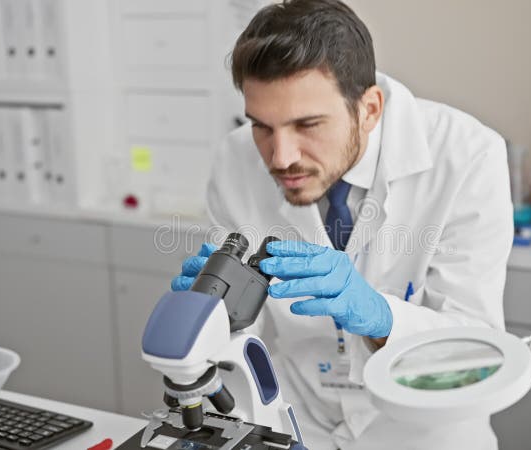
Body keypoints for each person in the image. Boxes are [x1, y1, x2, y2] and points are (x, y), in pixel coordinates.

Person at [172, 1, 513, 448]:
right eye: (261, 126)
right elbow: (240, 337)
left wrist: (381, 317)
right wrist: (208, 319)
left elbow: (479, 349)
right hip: (299, 422)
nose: (281, 157)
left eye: (308, 124)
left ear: (369, 109)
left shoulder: (468, 156)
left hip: (423, 429)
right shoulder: (234, 160)